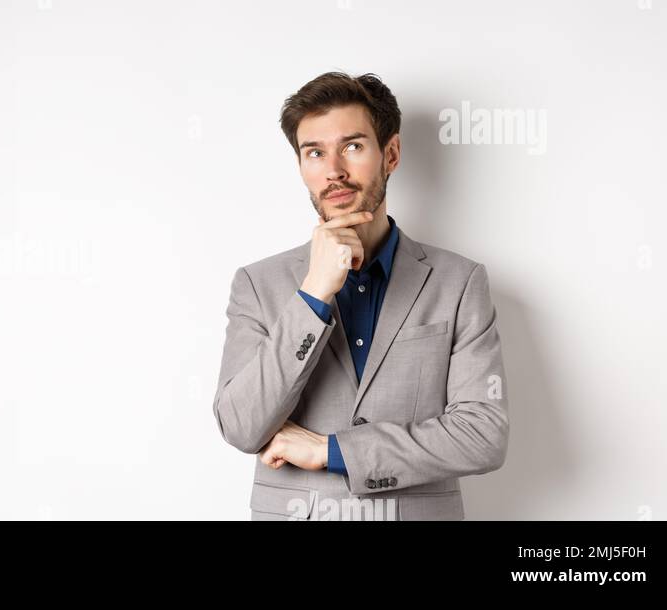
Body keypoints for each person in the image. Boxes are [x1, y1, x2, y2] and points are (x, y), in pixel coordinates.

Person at [212, 72, 509, 521]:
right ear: (301, 166)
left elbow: (483, 435)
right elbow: (240, 425)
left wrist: (331, 451)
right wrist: (313, 293)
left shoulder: (460, 282)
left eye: (352, 146)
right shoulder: (258, 284)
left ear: (390, 153)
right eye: (315, 152)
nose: (334, 170)